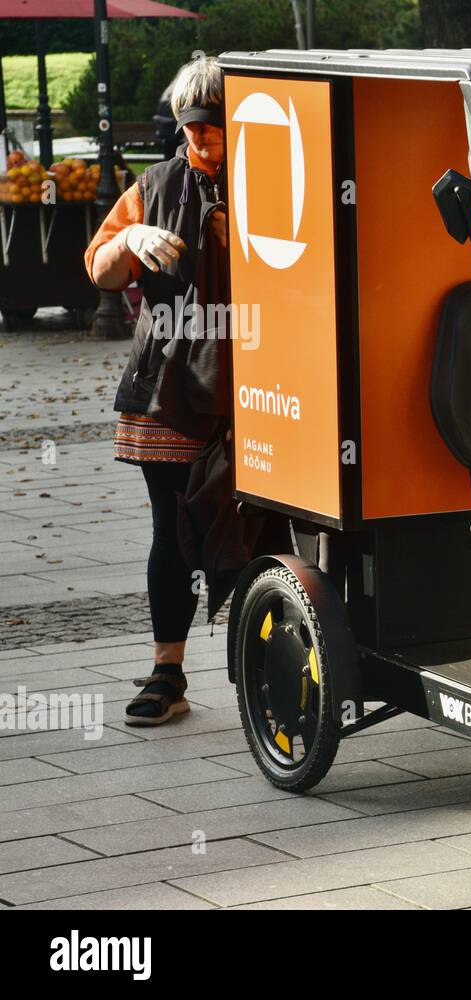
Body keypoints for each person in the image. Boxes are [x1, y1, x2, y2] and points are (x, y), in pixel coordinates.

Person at [85, 55, 229, 726]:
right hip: (169, 375)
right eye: (196, 128)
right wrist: (131, 241)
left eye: (218, 126)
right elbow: (101, 269)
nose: (206, 141)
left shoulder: (277, 175)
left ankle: (280, 651)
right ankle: (167, 671)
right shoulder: (154, 184)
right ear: (180, 123)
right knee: (170, 529)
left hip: (259, 378)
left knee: (273, 521)